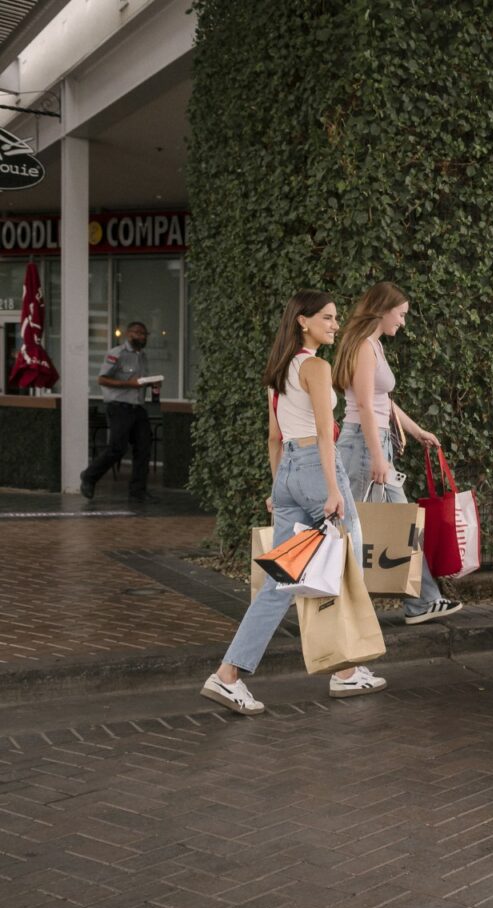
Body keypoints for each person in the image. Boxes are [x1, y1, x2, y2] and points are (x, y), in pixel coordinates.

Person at [200, 290, 387, 716]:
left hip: (289, 472)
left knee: (280, 584)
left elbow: (274, 438)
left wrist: (278, 486)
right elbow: (324, 433)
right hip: (319, 471)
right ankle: (344, 670)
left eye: (336, 318)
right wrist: (333, 490)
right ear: (303, 321)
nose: (335, 325)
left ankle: (229, 675)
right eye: (327, 317)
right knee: (348, 564)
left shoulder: (280, 371)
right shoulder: (316, 366)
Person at [334, 282, 462, 625]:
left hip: (373, 443)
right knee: (349, 527)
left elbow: (383, 402)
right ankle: (332, 603)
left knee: (403, 525)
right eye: (401, 314)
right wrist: (378, 456)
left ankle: (422, 602)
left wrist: (417, 431)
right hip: (364, 445)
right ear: (382, 309)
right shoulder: (364, 347)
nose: (402, 322)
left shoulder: (374, 345)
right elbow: (363, 405)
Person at [80, 321, 155, 501]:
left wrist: (151, 383)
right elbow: (102, 379)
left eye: (144, 334)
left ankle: (138, 491)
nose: (142, 337)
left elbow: (139, 382)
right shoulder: (117, 353)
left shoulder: (143, 356)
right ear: (128, 334)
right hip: (119, 407)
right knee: (117, 448)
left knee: (143, 448)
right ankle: (89, 476)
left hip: (138, 408)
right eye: (138, 333)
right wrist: (129, 384)